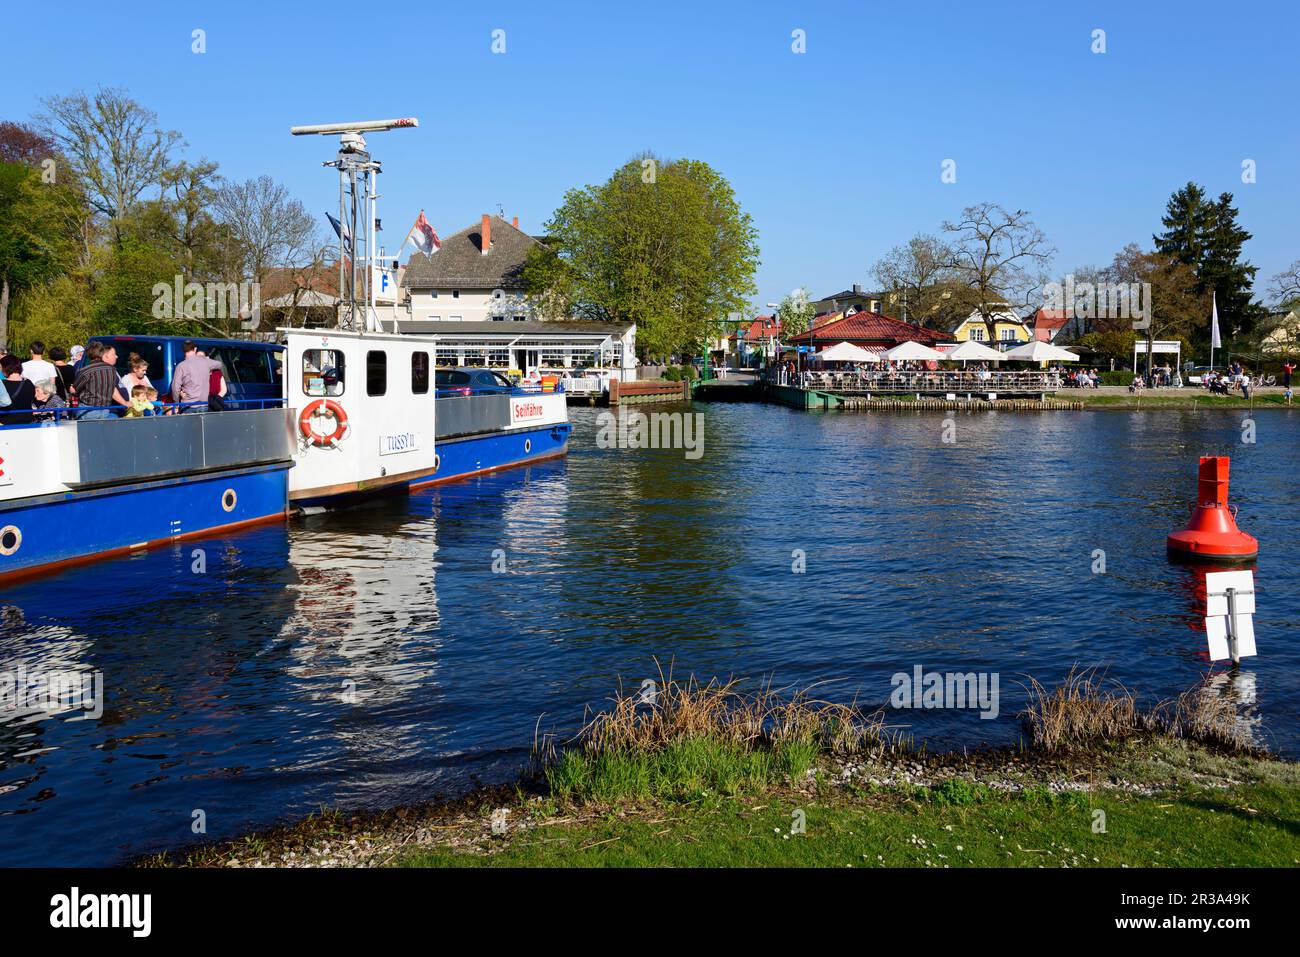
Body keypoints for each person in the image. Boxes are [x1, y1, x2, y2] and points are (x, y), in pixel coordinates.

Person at [73, 341, 127, 419]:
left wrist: (73, 390)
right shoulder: (111, 369)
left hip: (88, 410)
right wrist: (125, 403)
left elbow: (75, 390)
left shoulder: (85, 371)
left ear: (88, 354)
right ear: (101, 353)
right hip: (106, 410)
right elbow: (113, 389)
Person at [171, 341, 222, 412]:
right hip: (203, 404)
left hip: (188, 405)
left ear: (183, 350)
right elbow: (219, 364)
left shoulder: (181, 366)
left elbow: (175, 387)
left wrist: (176, 403)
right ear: (195, 349)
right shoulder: (206, 362)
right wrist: (205, 358)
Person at [2, 354, 37, 424]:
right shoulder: (29, 383)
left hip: (6, 422)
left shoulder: (2, 384)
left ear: (5, 367)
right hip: (27, 421)